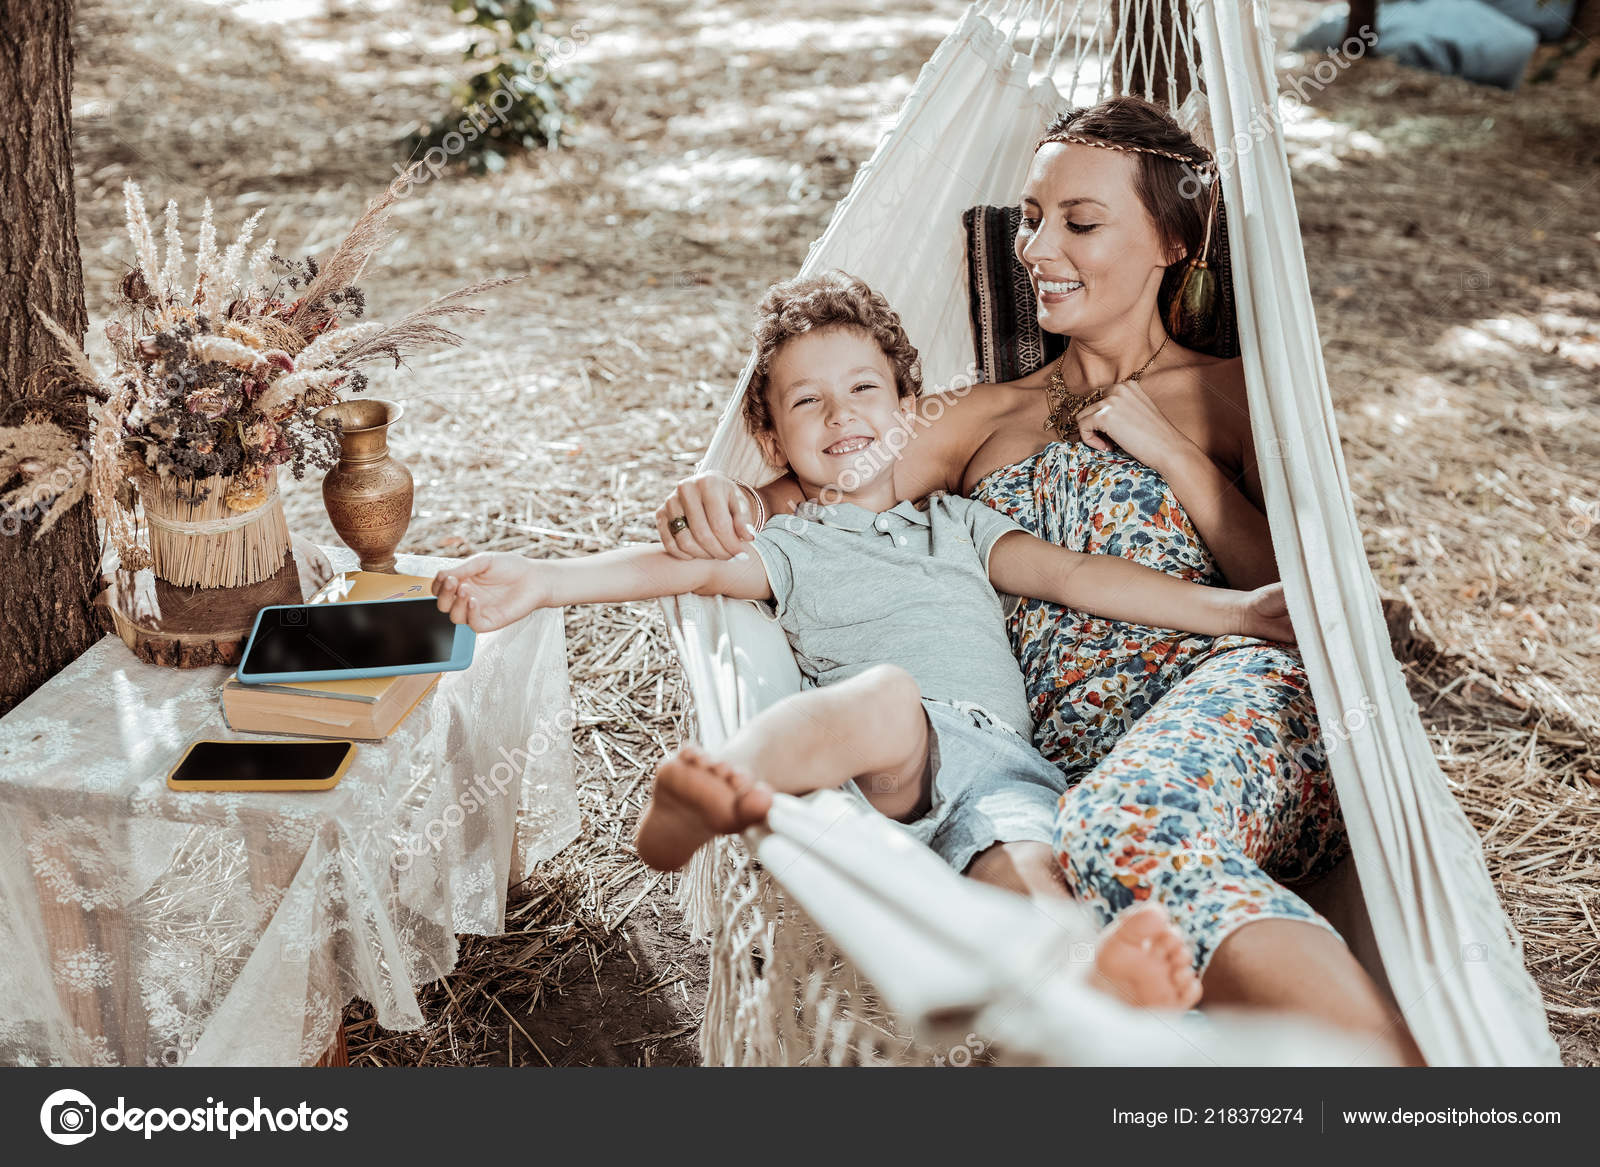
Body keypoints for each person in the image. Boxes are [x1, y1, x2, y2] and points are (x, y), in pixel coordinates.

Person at [650, 98, 1426, 1064]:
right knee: (1085, 957)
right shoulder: (980, 415)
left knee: (1128, 825)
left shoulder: (1242, 393)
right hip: (1063, 777)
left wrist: (1173, 452)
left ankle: (1398, 1079)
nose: (1037, 247)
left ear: (1174, 244)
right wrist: (708, 496)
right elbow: (817, 481)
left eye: (1082, 222)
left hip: (1241, 700)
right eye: (1030, 216)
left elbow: (1307, 605)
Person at [433, 273, 1297, 1012]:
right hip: (880, 757)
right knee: (886, 697)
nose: (840, 415)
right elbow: (682, 570)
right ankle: (727, 781)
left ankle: (1083, 988)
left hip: (1000, 768)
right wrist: (546, 579)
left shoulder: (958, 522)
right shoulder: (794, 545)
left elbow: (1075, 575)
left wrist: (1233, 611)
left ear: (909, 412)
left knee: (1032, 865)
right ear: (771, 439)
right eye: (807, 401)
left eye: (864, 391)